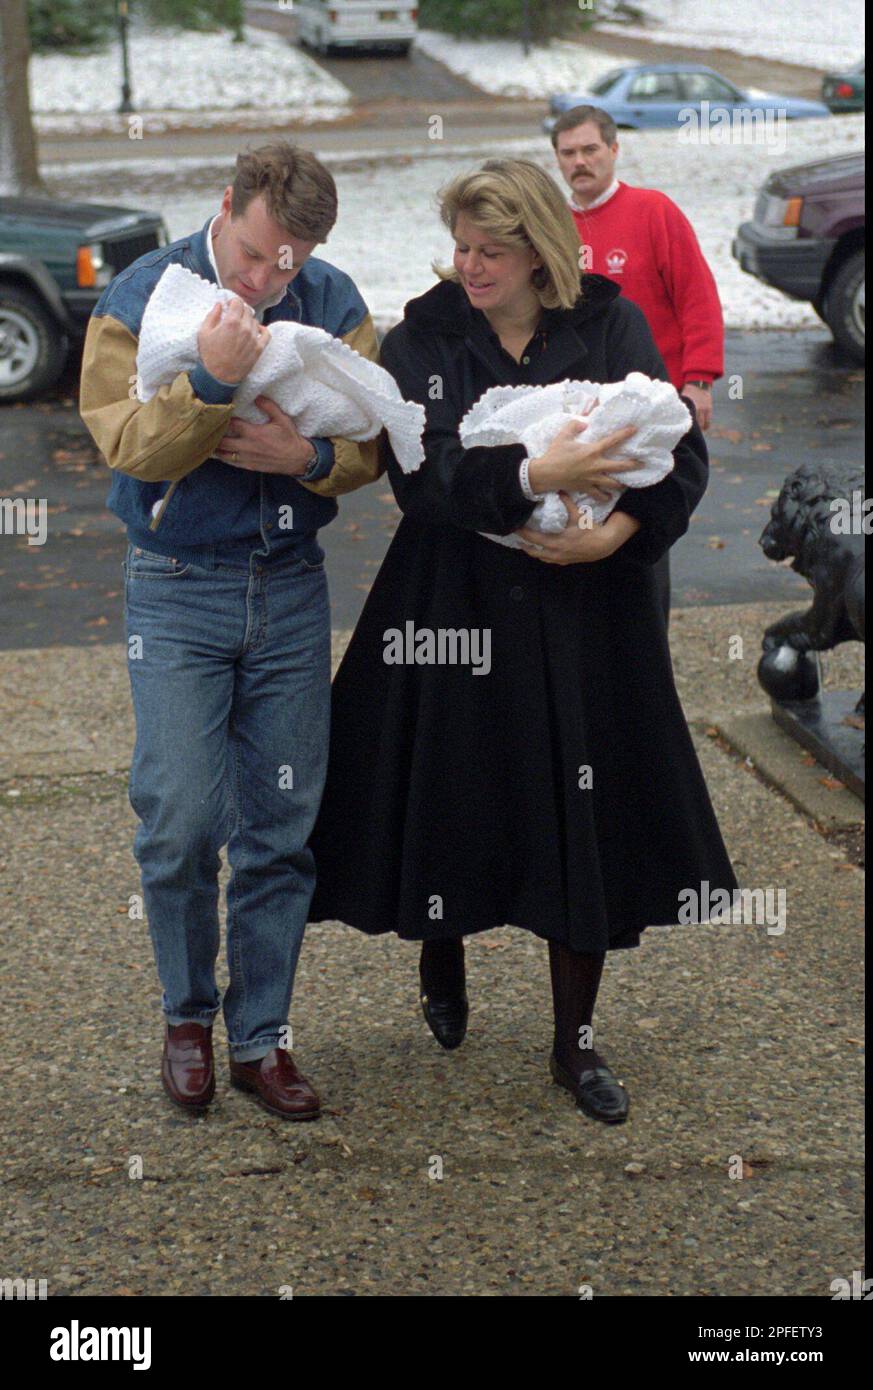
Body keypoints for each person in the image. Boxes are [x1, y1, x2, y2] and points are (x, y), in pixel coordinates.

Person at [307, 159, 739, 1124]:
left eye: (489, 250)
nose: (468, 265)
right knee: (449, 795)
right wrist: (537, 468)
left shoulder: (611, 326)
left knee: (577, 819)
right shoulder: (425, 336)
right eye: (460, 246)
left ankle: (572, 1045)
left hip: (586, 606)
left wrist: (616, 534)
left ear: (539, 250)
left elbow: (679, 453)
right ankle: (441, 948)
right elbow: (423, 483)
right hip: (451, 601)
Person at [79, 142, 382, 1122]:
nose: (266, 279)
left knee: (282, 830)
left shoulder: (332, 298)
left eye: (287, 261)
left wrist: (313, 455)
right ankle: (185, 1017)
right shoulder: (140, 293)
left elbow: (376, 443)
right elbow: (126, 445)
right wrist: (210, 384)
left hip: (291, 587)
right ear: (225, 205)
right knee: (178, 819)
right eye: (255, 254)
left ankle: (261, 1039)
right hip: (178, 586)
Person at [550, 104, 724, 627]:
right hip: (581, 421)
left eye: (590, 150)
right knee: (578, 536)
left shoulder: (653, 212)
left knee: (643, 532)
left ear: (613, 150)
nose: (580, 162)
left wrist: (698, 381)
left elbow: (697, 297)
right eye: (568, 153)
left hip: (652, 414)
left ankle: (645, 653)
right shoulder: (554, 229)